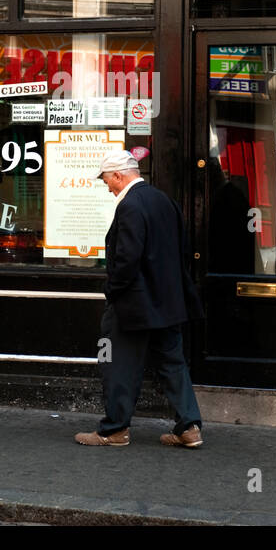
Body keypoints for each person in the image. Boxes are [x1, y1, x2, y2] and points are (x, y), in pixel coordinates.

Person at [74, 151, 204, 448]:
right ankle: (189, 427)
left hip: (134, 303)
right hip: (169, 302)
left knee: (119, 365)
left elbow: (126, 259)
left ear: (119, 175)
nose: (107, 187)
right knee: (173, 364)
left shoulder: (130, 205)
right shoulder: (164, 201)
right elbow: (182, 251)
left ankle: (115, 431)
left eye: (107, 180)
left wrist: (113, 290)